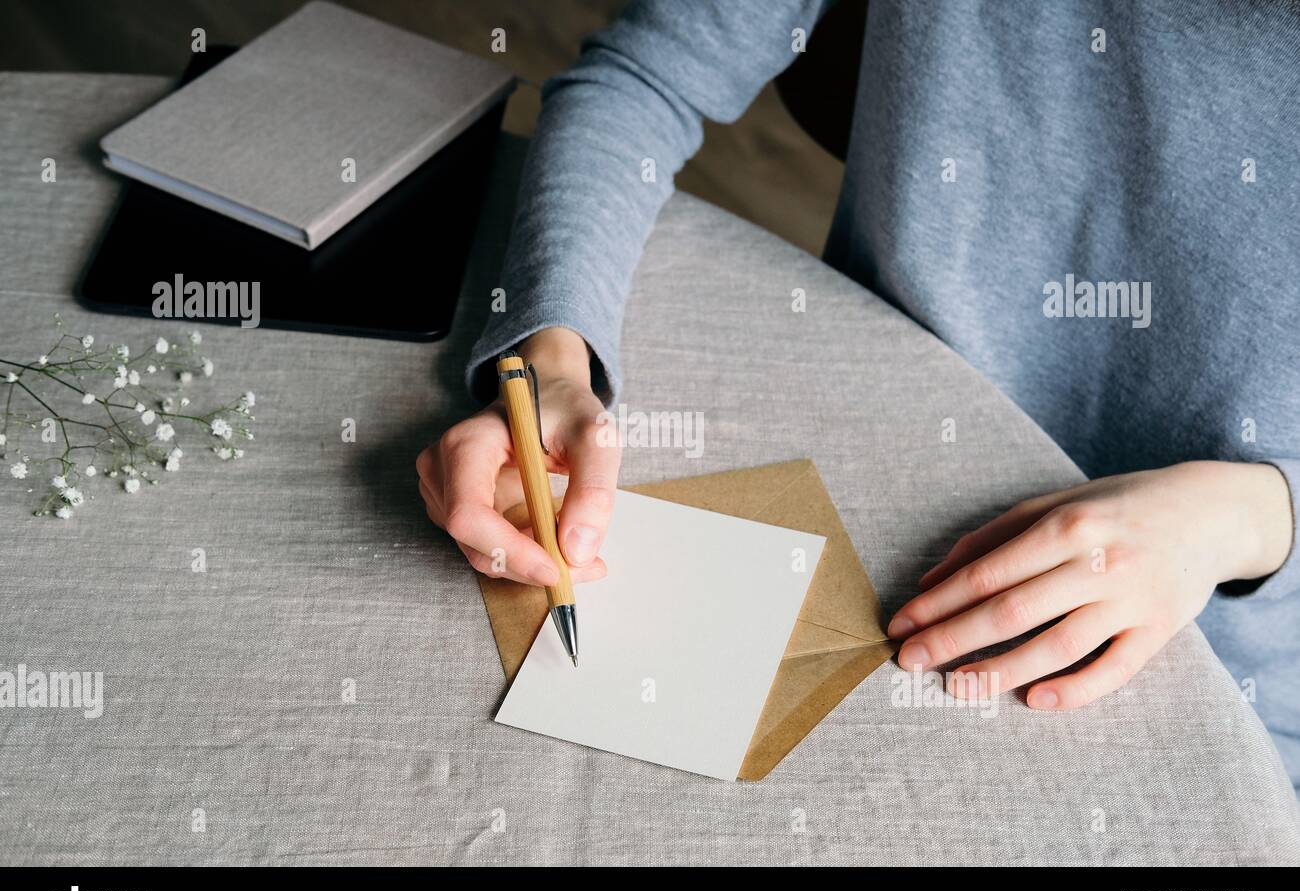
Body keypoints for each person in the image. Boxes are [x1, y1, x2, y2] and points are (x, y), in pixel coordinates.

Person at [417, 1, 1300, 786]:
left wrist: (1248, 517)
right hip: (864, 473)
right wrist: (556, 356)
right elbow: (644, 77)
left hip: (1231, 646)